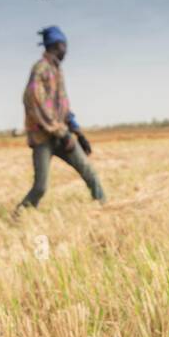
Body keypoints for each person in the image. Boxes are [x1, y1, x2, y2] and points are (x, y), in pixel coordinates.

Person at [16, 26, 105, 211]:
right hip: (43, 138)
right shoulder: (41, 69)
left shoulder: (57, 70)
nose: (67, 50)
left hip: (62, 134)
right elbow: (34, 102)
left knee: (89, 172)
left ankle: (104, 209)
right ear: (57, 45)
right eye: (65, 45)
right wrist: (62, 133)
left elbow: (63, 106)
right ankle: (18, 215)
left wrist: (78, 133)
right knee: (40, 187)